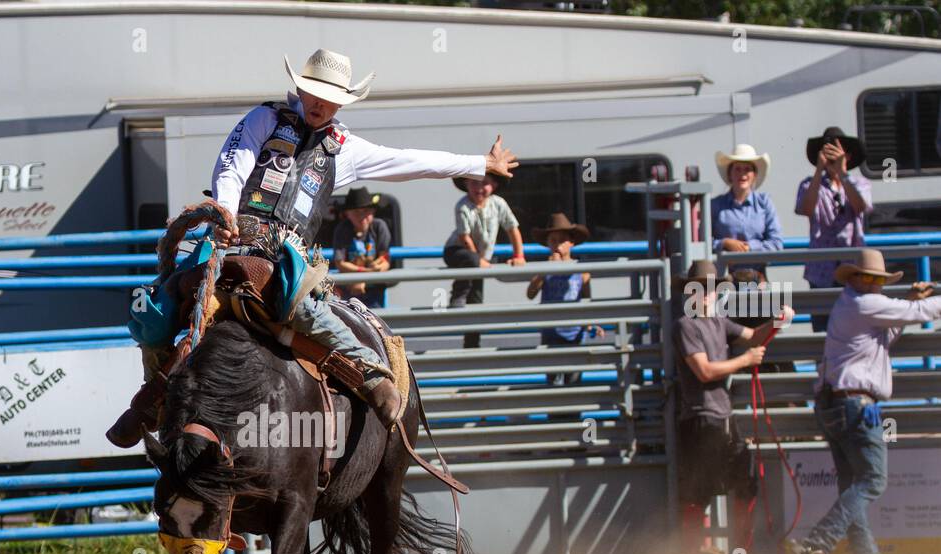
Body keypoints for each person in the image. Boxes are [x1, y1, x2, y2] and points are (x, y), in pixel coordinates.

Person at [107, 48, 519, 447]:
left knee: (300, 308)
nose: (321, 104)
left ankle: (370, 372)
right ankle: (153, 400)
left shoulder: (344, 148)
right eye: (315, 95)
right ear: (300, 91)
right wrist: (227, 214)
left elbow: (407, 161)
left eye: (331, 100)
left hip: (286, 252)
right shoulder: (265, 118)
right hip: (231, 238)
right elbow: (235, 164)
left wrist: (479, 165)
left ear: (341, 105)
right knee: (157, 310)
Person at [790, 250, 940, 554]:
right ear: (856, 279)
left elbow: (887, 334)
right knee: (873, 480)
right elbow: (919, 312)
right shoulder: (863, 304)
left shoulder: (854, 304)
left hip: (835, 404)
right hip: (855, 406)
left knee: (853, 486)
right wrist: (913, 303)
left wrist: (908, 303)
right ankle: (819, 542)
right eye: (870, 278)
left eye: (878, 280)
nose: (875, 284)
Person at [671, 262, 791, 554]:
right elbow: (705, 371)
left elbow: (754, 337)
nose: (709, 293)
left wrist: (777, 322)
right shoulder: (686, 325)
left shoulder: (718, 322)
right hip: (702, 420)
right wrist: (744, 361)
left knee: (745, 485)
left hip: (720, 418)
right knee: (700, 493)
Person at [795, 126, 873, 333]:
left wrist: (843, 173)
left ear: (847, 155)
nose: (832, 157)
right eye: (827, 151)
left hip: (854, 272)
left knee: (856, 332)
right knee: (823, 334)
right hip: (821, 274)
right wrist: (819, 170)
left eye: (837, 151)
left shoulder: (860, 183)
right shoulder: (809, 184)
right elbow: (805, 209)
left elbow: (861, 206)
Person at [442, 172, 524, 334]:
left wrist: (518, 255)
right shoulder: (463, 205)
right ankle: (457, 295)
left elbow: (512, 228)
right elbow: (464, 237)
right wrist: (478, 261)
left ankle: (472, 343)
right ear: (466, 184)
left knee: (476, 301)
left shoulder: (498, 204)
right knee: (470, 261)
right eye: (474, 183)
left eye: (484, 183)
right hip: (457, 251)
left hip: (481, 260)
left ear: (494, 185)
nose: (479, 188)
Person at [526, 212, 600, 386]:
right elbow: (530, 293)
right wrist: (545, 270)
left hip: (575, 334)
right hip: (551, 333)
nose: (557, 245)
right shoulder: (545, 269)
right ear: (547, 244)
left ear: (571, 243)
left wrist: (591, 324)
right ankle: (556, 413)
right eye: (553, 240)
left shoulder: (582, 270)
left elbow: (587, 301)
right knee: (552, 381)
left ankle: (572, 413)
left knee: (573, 380)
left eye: (562, 240)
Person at [710, 143, 783, 284]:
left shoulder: (764, 203)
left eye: (747, 169)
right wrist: (724, 243)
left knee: (761, 305)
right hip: (725, 279)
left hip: (757, 277)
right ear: (730, 174)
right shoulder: (716, 205)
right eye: (737, 169)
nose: (742, 174)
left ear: (754, 175)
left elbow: (776, 243)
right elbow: (703, 242)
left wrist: (749, 247)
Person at [331, 186, 391, 309]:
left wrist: (364, 278)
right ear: (347, 214)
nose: (362, 216)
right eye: (356, 212)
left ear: (373, 211)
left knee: (376, 322)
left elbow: (384, 259)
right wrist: (363, 274)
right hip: (349, 288)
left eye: (366, 211)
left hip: (375, 288)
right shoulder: (342, 229)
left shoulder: (379, 226)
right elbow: (340, 263)